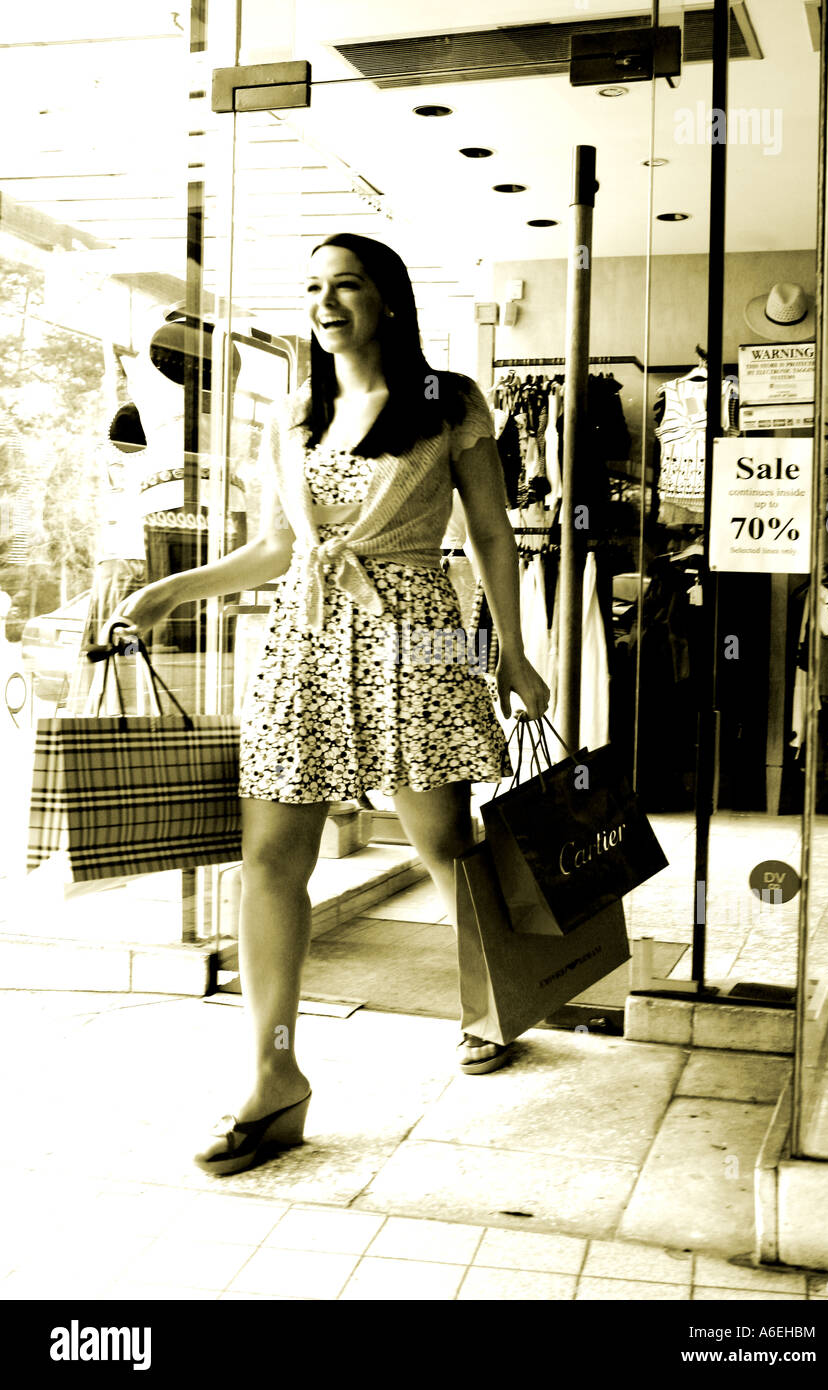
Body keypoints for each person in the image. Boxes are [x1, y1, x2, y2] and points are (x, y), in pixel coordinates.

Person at [101, 233, 549, 1176]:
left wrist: (512, 650)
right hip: (302, 641)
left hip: (416, 630)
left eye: (347, 284)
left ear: (387, 299)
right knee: (267, 861)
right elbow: (277, 549)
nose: (326, 300)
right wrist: (171, 591)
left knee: (442, 844)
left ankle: (491, 1003)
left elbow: (493, 538)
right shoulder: (291, 412)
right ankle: (275, 1078)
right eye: (312, 285)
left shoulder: (449, 401)